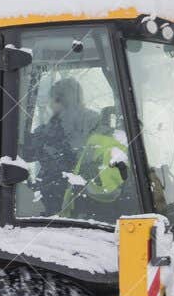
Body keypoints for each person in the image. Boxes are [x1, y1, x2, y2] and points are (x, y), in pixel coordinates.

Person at [25, 76, 130, 217]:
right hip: (88, 199)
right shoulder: (97, 122)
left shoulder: (56, 127)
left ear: (59, 100)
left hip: (59, 197)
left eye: (52, 99)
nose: (49, 104)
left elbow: (28, 152)